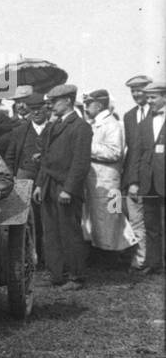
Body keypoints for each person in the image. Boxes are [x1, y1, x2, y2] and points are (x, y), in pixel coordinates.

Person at [33, 83, 92, 289]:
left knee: (70, 232)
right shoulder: (53, 126)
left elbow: (81, 162)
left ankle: (76, 277)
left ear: (68, 101)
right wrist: (40, 184)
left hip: (66, 187)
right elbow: (46, 159)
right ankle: (57, 274)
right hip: (49, 185)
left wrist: (69, 189)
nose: (51, 106)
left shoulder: (81, 126)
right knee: (51, 233)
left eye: (54, 102)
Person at [80, 89, 135, 254]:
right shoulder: (94, 123)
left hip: (110, 182)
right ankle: (103, 252)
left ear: (98, 105)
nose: (86, 107)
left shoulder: (112, 124)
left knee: (112, 218)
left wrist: (85, 148)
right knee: (97, 218)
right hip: (96, 181)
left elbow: (114, 152)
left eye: (88, 104)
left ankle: (113, 255)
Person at [126, 80, 166, 275]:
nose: (149, 101)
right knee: (151, 224)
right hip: (148, 182)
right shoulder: (143, 124)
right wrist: (134, 181)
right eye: (148, 97)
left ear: (164, 97)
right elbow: (135, 154)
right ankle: (154, 262)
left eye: (153, 97)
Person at [121, 75, 152, 271]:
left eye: (139, 89)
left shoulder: (159, 114)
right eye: (133, 90)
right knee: (137, 221)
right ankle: (141, 260)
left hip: (155, 177)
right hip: (135, 178)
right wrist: (132, 180)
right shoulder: (129, 116)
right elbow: (132, 151)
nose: (136, 94)